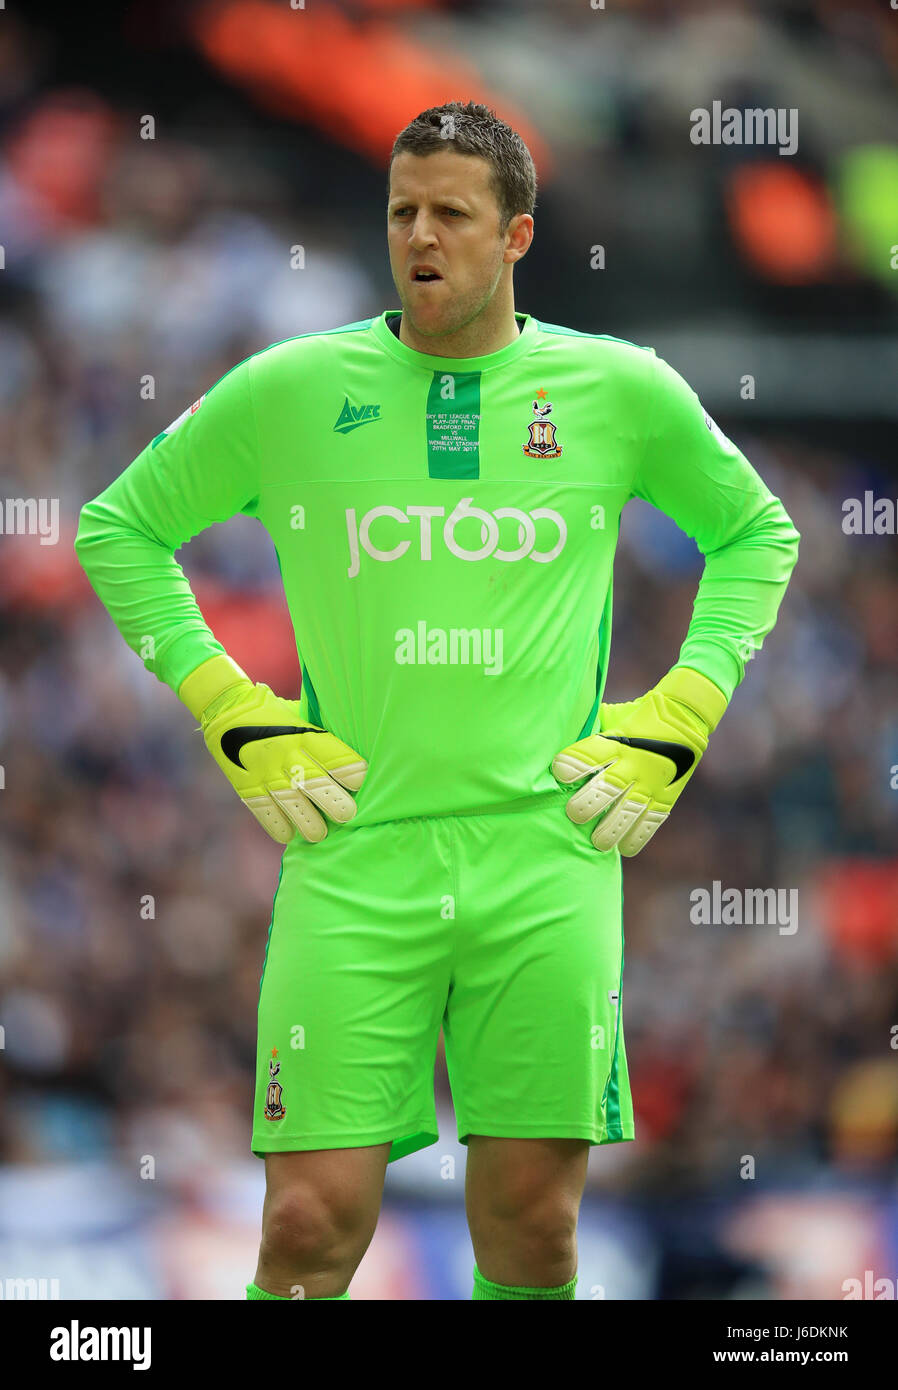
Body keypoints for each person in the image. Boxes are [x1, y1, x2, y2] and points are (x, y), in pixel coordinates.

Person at [74, 100, 800, 1301]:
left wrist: (683, 706)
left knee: (533, 1231)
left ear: (515, 235)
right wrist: (226, 703)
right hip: (355, 855)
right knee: (308, 1223)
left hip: (547, 852)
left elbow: (756, 533)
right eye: (402, 210)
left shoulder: (618, 389)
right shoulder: (294, 388)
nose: (420, 235)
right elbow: (120, 526)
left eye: (452, 214)